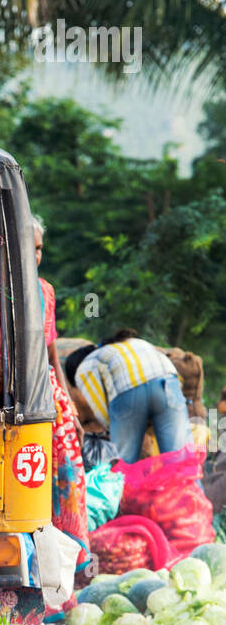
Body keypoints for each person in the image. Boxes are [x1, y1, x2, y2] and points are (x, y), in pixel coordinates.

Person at [33, 216, 90, 569]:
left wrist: (69, 404)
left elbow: (51, 353)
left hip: (49, 396)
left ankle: (62, 577)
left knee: (66, 482)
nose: (35, 255)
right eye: (29, 247)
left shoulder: (45, 291)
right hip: (13, 401)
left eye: (39, 249)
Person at [66, 329, 191, 465]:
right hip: (170, 383)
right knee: (179, 461)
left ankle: (124, 484)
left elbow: (103, 414)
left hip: (131, 388)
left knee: (124, 467)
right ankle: (188, 485)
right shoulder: (127, 345)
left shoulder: (85, 366)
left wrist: (112, 431)